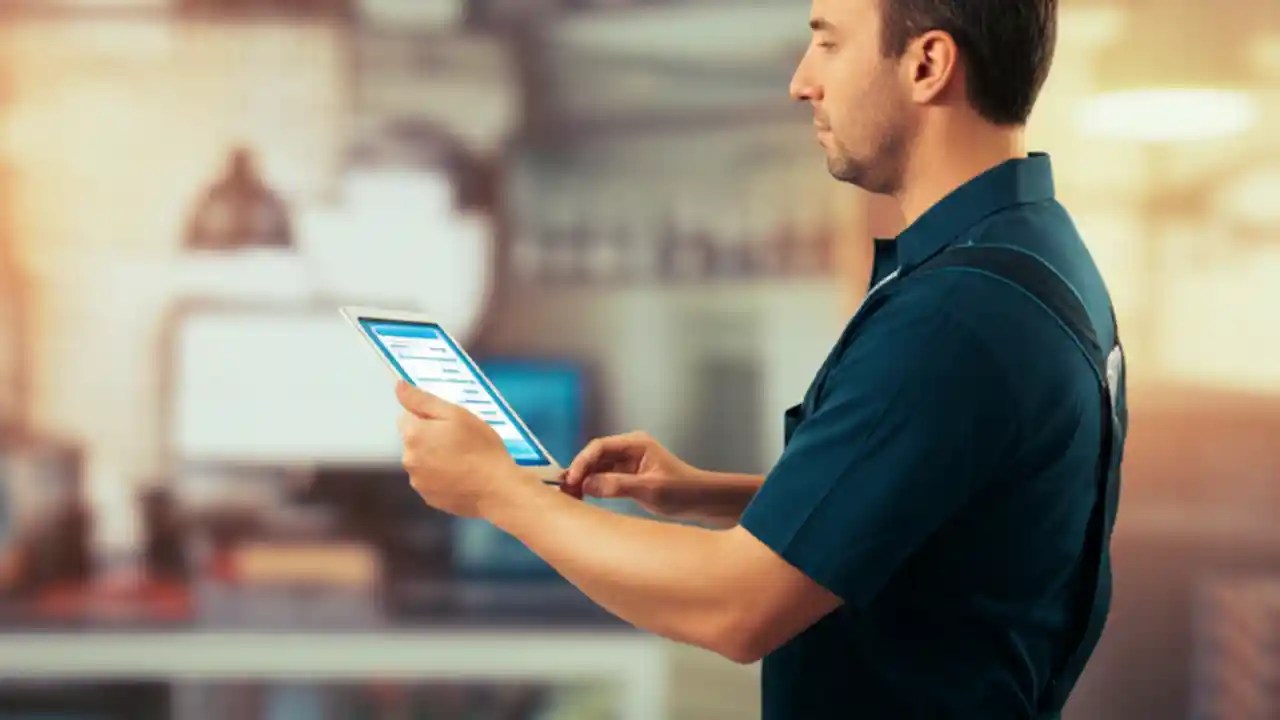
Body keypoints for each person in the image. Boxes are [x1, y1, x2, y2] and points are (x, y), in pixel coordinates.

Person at [392, 0, 1127, 717]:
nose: (803, 81)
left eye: (829, 43)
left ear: (928, 63)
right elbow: (935, 508)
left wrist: (495, 492)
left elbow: (737, 607)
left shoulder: (956, 315)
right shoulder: (1036, 253)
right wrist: (709, 494)